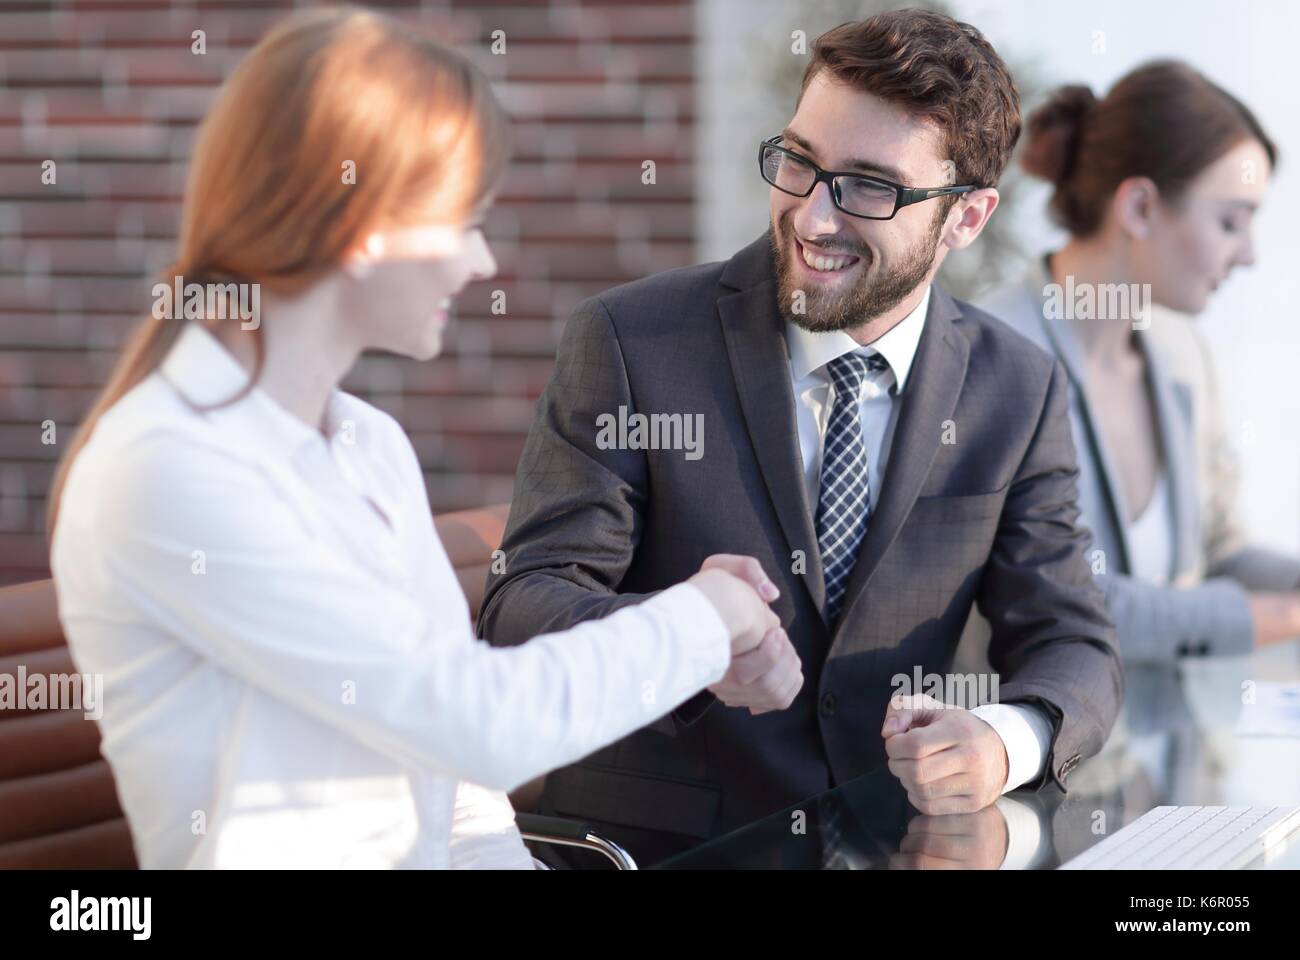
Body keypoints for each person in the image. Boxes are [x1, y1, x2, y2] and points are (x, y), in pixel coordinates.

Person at [47, 5, 783, 870]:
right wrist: (709, 616)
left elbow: (457, 790)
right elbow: (477, 723)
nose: (482, 262)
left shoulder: (367, 443)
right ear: (364, 228)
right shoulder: (167, 469)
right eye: (463, 219)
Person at [480, 9, 1121, 867]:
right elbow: (523, 605)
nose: (814, 218)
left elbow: (1072, 641)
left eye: (868, 186)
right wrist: (688, 637)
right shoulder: (633, 342)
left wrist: (1003, 741)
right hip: (655, 852)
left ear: (966, 219)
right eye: (799, 162)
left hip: (896, 845)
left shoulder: (1017, 387)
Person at [979, 61, 1300, 664]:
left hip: (1169, 755)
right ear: (1140, 208)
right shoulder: (987, 354)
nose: (1250, 255)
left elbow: (1219, 552)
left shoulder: (1182, 354)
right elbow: (1069, 602)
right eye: (1232, 221)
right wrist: (1286, 615)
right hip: (1033, 752)